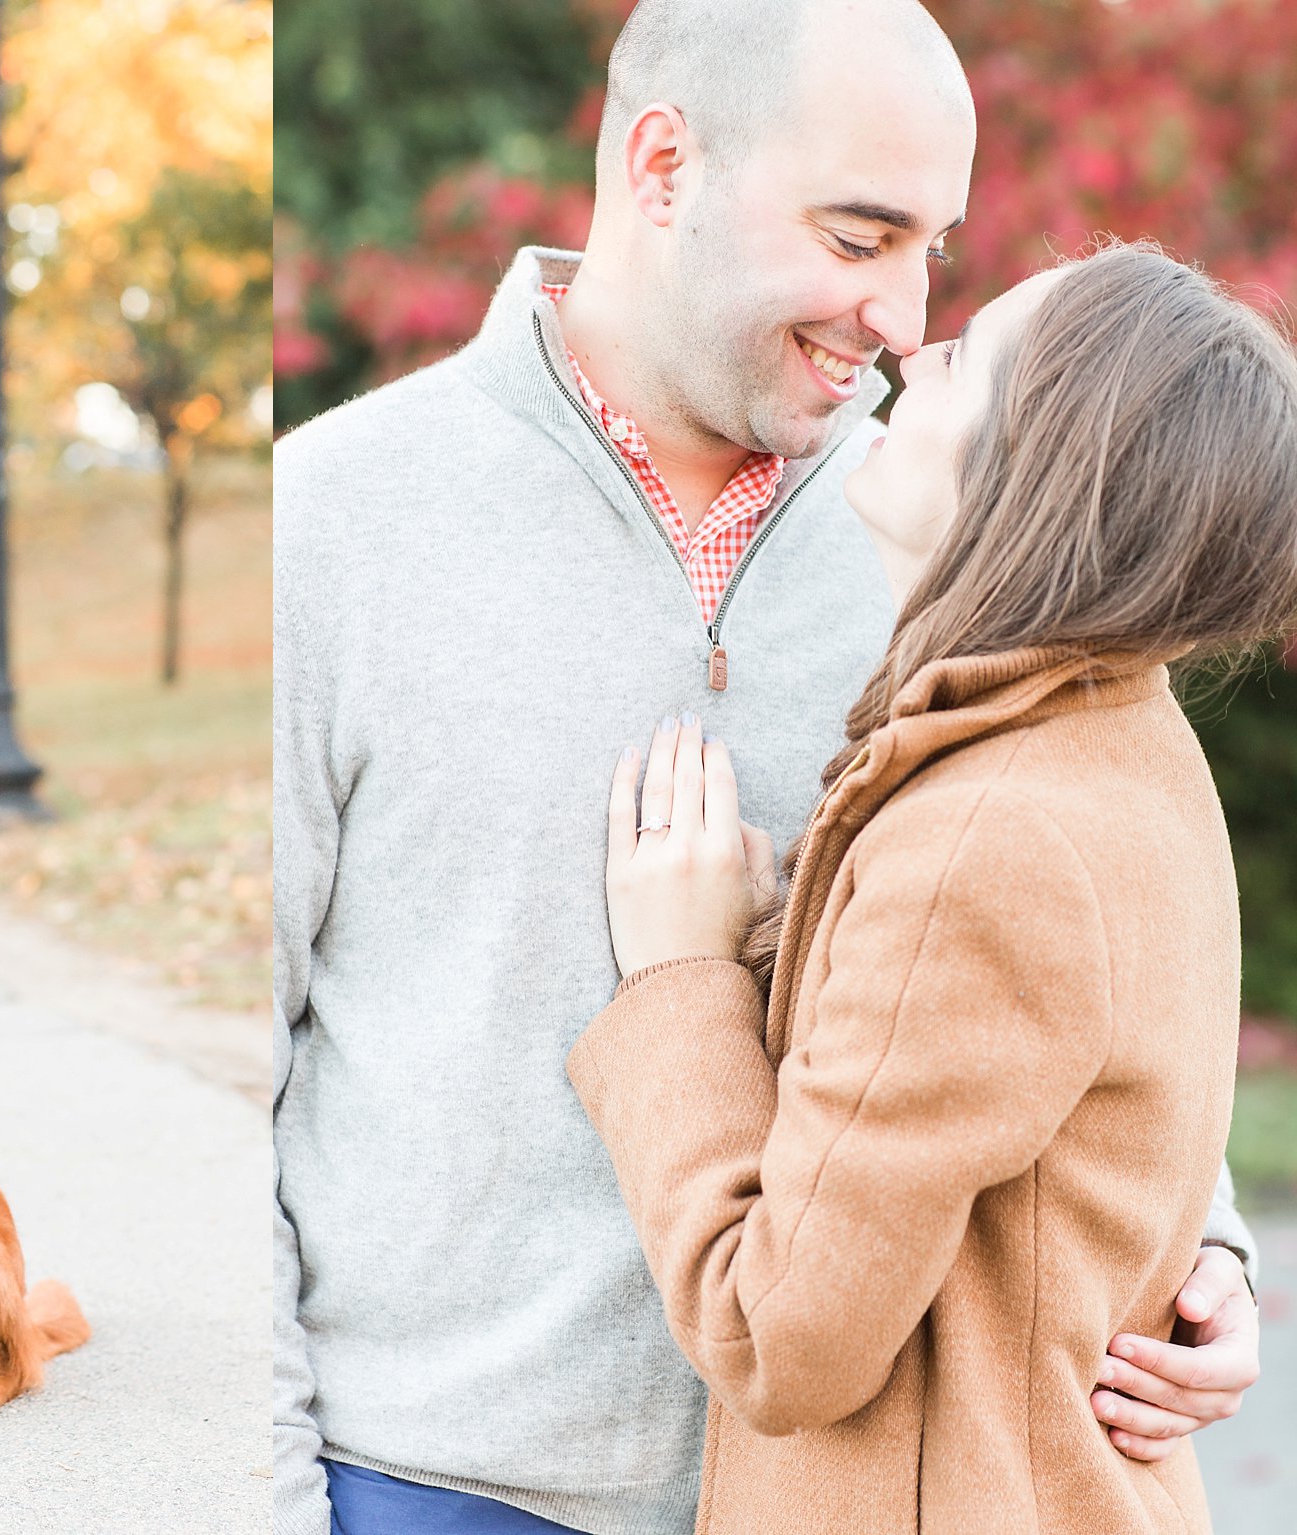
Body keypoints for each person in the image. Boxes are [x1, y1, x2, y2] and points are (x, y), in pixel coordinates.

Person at [273, 3, 1262, 1532]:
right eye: (861, 235)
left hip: (852, 1491)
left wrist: (1197, 1248)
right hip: (441, 1487)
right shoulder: (333, 521)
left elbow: (1100, 932)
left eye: (935, 248)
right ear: (663, 166)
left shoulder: (977, 529)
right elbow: (234, 1075)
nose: (900, 315)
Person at [571, 241, 1297, 1532]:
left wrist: (681, 980)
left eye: (961, 357)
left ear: (1035, 471)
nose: (914, 349)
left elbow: (783, 1339)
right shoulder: (1130, 736)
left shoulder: (997, 836)